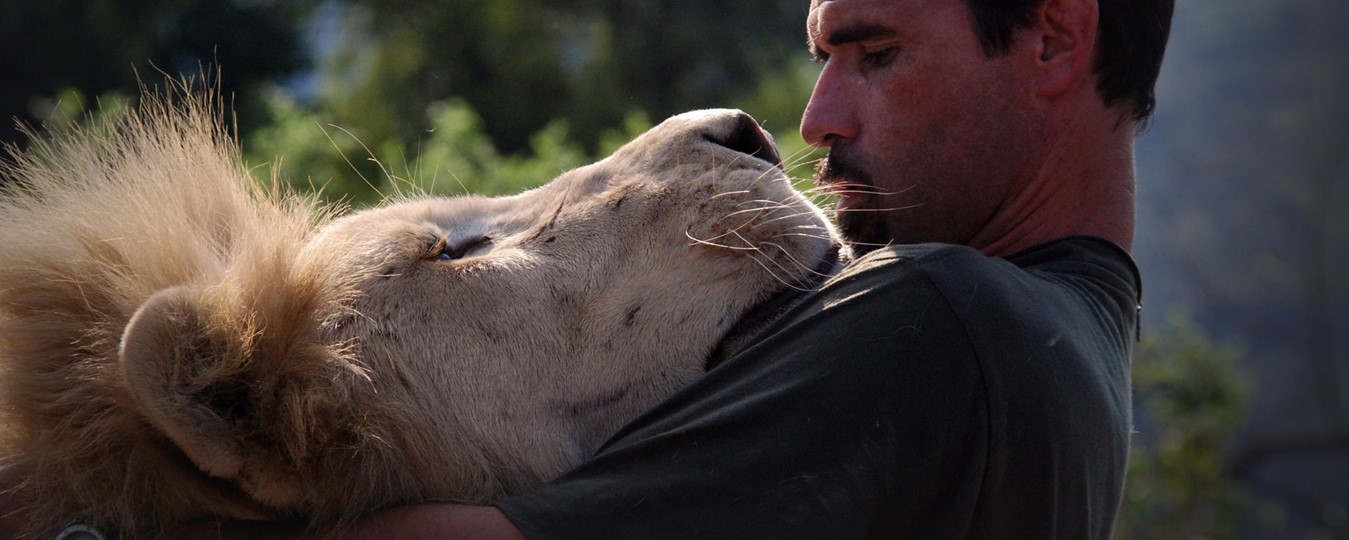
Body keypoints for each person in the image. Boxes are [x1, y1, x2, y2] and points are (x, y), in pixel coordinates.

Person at [18, 0, 1173, 537]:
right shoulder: (1070, 352)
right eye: (820, 55)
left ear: (1055, 39)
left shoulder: (929, 323)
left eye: (873, 53)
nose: (808, 117)